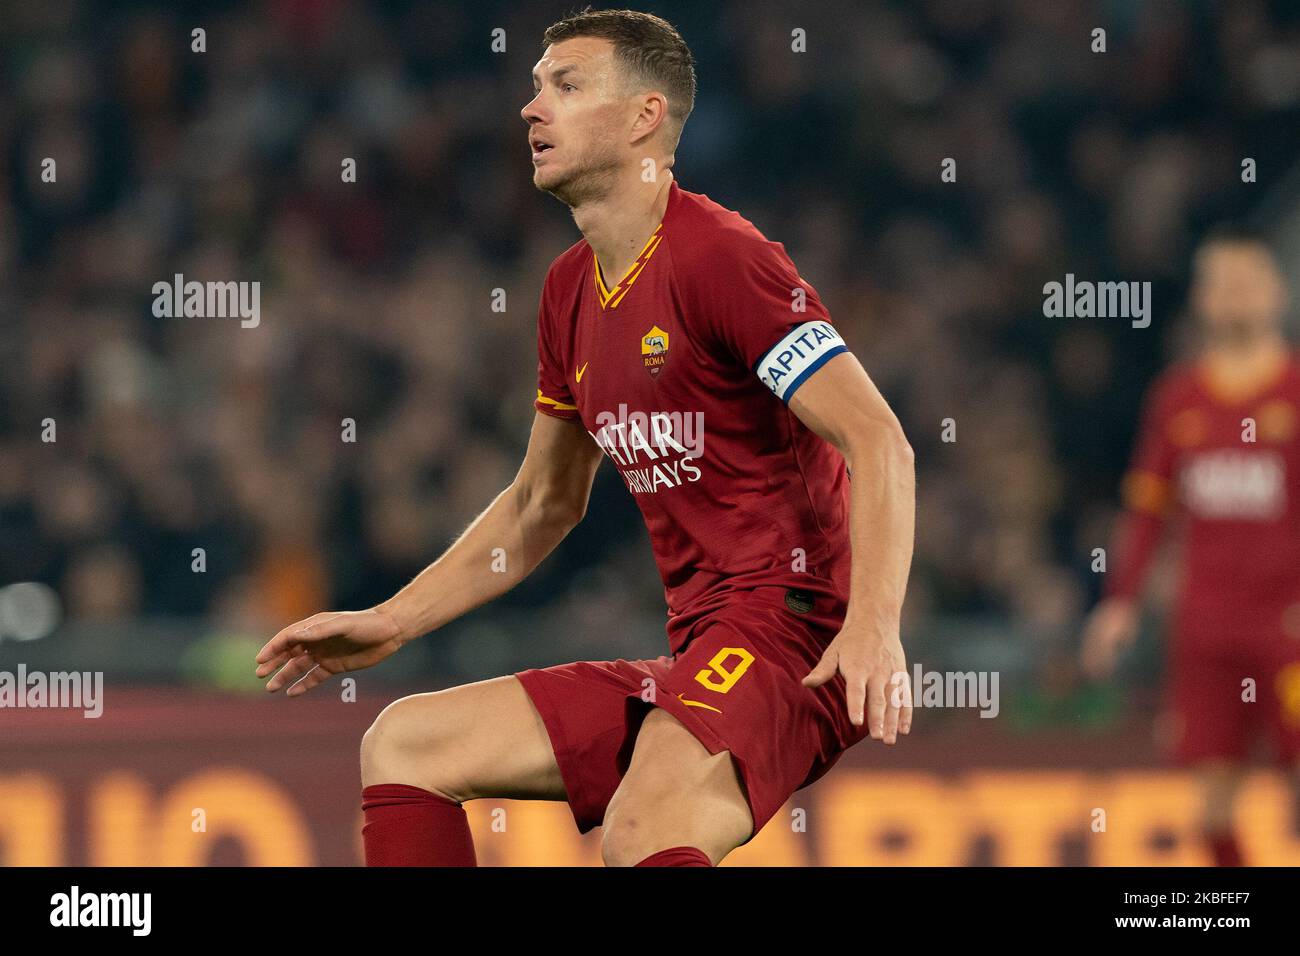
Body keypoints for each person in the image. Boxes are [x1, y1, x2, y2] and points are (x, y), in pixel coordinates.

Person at [256, 8, 915, 867]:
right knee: (405, 743)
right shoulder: (569, 292)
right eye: (534, 88)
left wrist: (874, 626)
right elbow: (541, 502)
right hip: (703, 648)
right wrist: (392, 620)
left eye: (564, 86)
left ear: (645, 116)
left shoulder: (724, 258)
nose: (531, 108)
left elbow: (881, 442)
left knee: (642, 829)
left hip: (797, 634)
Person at [1082, 228, 1299, 867]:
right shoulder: (1178, 397)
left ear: (1277, 291)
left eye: (1247, 282)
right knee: (1209, 800)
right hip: (1204, 627)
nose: (1235, 297)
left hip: (1287, 624)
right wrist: (1119, 603)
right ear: (1202, 299)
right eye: (1221, 284)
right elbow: (1148, 511)